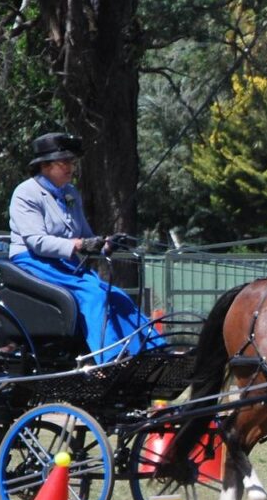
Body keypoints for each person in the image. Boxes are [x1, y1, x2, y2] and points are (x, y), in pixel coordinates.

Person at [8, 132, 159, 362]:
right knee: (94, 296)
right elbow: (36, 241)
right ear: (45, 166)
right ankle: (111, 359)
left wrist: (104, 243)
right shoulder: (26, 193)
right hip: (31, 262)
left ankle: (151, 352)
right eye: (64, 162)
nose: (70, 167)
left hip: (63, 264)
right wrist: (78, 244)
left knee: (117, 296)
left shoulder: (70, 193)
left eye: (71, 162)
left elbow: (85, 235)